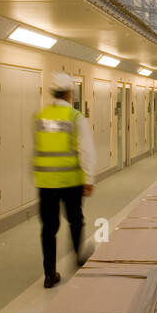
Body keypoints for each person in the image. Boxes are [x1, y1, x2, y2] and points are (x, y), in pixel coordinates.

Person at [33, 72, 96, 288]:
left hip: (45, 182)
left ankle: (50, 274)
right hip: (70, 180)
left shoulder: (41, 116)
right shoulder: (75, 116)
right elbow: (85, 149)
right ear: (70, 93)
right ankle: (79, 256)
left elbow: (36, 149)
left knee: (48, 229)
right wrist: (88, 178)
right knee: (75, 219)